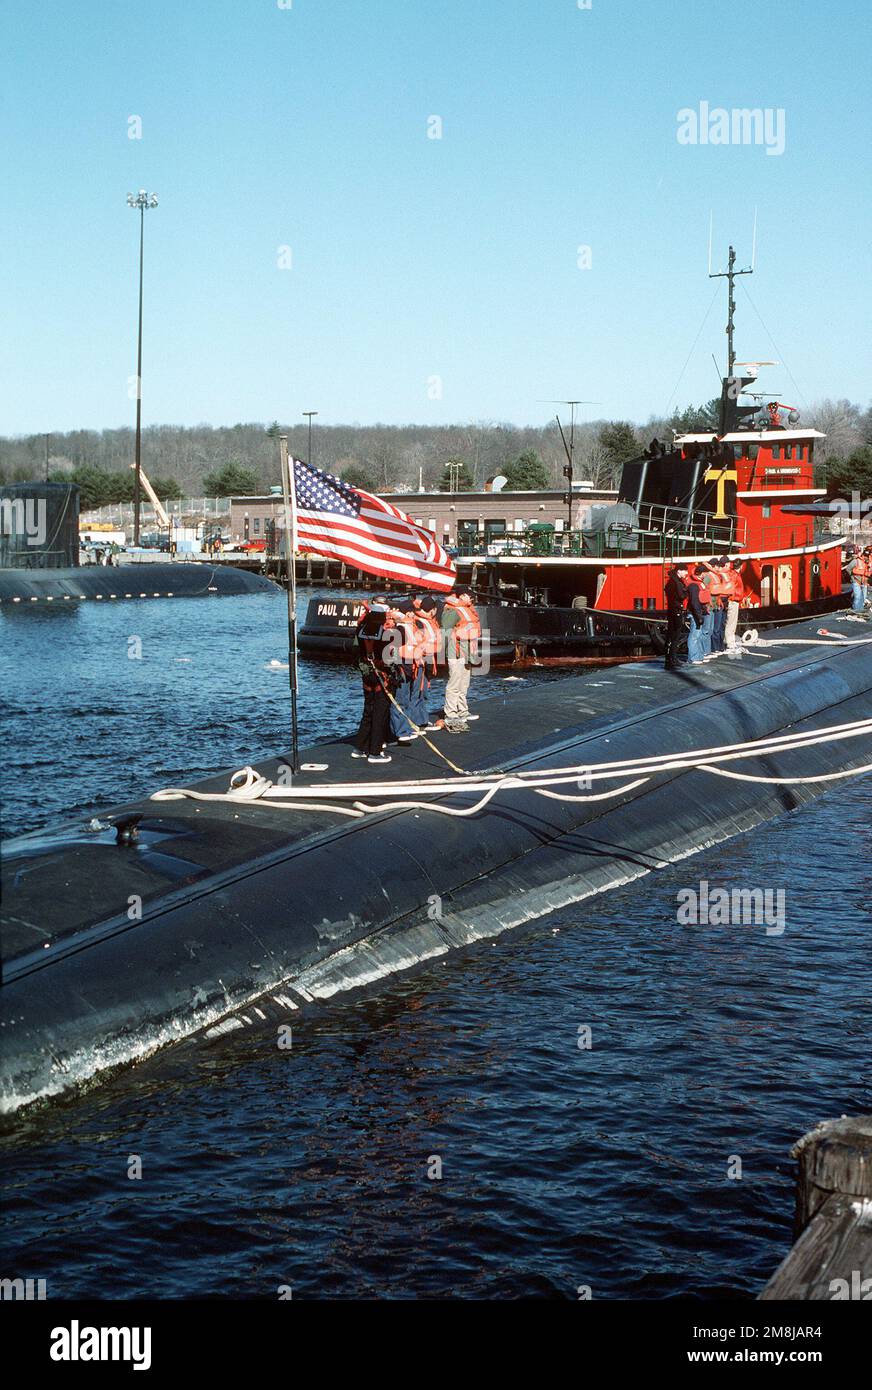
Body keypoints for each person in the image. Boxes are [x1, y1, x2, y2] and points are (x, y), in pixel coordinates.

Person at [351, 600, 393, 764]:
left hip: (366, 674)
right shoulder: (385, 632)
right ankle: (375, 752)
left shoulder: (360, 630)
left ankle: (359, 748)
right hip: (381, 674)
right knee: (380, 713)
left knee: (368, 710)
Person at [441, 586, 481, 731]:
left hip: (467, 652)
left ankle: (462, 710)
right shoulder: (452, 609)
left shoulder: (467, 608)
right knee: (454, 684)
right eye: (470, 596)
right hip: (456, 651)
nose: (472, 599)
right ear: (462, 596)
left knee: (464, 683)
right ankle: (450, 713)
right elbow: (445, 629)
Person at [663, 565, 690, 670]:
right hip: (676, 610)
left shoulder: (672, 582)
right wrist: (686, 592)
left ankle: (670, 658)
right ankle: (671, 659)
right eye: (685, 571)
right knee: (675, 634)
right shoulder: (676, 583)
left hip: (673, 609)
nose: (686, 573)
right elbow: (681, 595)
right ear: (679, 571)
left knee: (672, 634)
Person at [684, 566, 709, 665]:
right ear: (702, 573)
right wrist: (698, 616)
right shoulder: (694, 585)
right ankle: (693, 657)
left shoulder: (698, 584)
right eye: (706, 573)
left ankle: (698, 656)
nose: (707, 575)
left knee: (698, 635)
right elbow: (694, 602)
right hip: (695, 613)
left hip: (698, 612)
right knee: (694, 635)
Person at [723, 559, 746, 652]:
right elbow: (731, 588)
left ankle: (731, 641)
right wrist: (733, 598)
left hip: (735, 600)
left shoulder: (734, 574)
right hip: (733, 601)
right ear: (741, 566)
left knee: (732, 622)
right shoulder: (734, 575)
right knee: (731, 622)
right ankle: (730, 642)